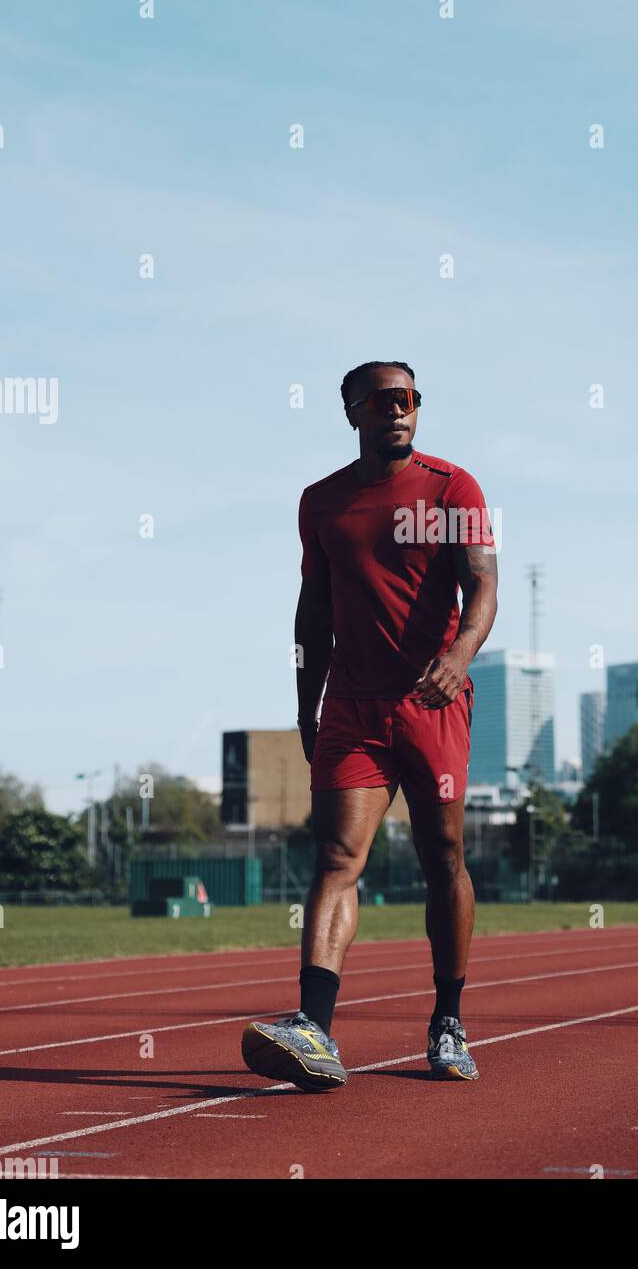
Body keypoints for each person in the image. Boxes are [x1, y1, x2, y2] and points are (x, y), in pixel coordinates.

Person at [241, 361, 498, 1090]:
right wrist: (304, 701)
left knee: (442, 857)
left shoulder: (454, 489)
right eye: (384, 400)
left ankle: (448, 1020)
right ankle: (315, 1028)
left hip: (431, 703)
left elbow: (483, 583)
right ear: (352, 412)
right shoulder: (321, 502)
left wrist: (458, 653)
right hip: (351, 708)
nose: (400, 410)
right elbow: (312, 612)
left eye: (410, 398)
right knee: (335, 860)